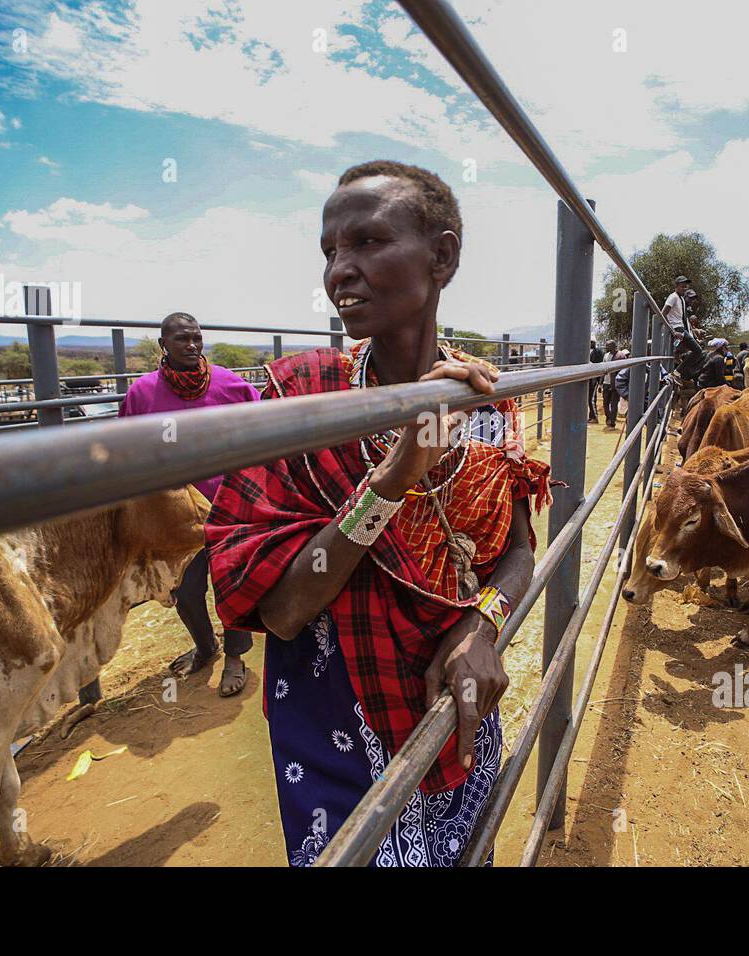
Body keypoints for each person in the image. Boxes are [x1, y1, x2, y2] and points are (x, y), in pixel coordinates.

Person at [204, 160, 551, 867]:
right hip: (336, 718)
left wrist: (482, 625)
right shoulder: (302, 400)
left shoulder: (485, 401)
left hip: (451, 701)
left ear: (443, 256)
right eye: (330, 252)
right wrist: (397, 471)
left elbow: (518, 550)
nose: (340, 270)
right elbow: (283, 611)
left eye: (366, 243)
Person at [118, 311, 259, 697]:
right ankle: (205, 646)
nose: (193, 345)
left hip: (229, 505)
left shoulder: (230, 384)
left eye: (197, 337)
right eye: (182, 339)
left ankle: (235, 656)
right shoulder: (142, 394)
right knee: (187, 590)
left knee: (232, 584)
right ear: (163, 345)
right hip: (175, 515)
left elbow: (265, 423)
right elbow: (128, 447)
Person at [662, 276, 705, 382]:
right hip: (677, 328)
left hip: (681, 328)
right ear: (676, 286)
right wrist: (673, 331)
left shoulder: (681, 299)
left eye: (686, 286)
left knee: (695, 351)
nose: (684, 288)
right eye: (682, 286)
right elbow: (663, 313)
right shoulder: (673, 297)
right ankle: (676, 373)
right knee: (698, 351)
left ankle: (678, 374)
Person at [601, 339, 620, 427]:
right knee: (605, 403)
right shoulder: (606, 355)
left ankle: (612, 421)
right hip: (606, 382)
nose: (606, 347)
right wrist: (601, 383)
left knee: (614, 403)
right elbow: (602, 369)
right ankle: (608, 417)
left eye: (608, 345)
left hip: (615, 383)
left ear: (613, 346)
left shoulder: (620, 355)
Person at [587, 338, 602, 423]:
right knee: (589, 398)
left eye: (591, 342)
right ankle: (591, 416)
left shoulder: (598, 352)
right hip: (590, 379)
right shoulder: (589, 352)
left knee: (592, 399)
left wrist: (598, 381)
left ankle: (595, 417)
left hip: (594, 379)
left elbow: (598, 365)